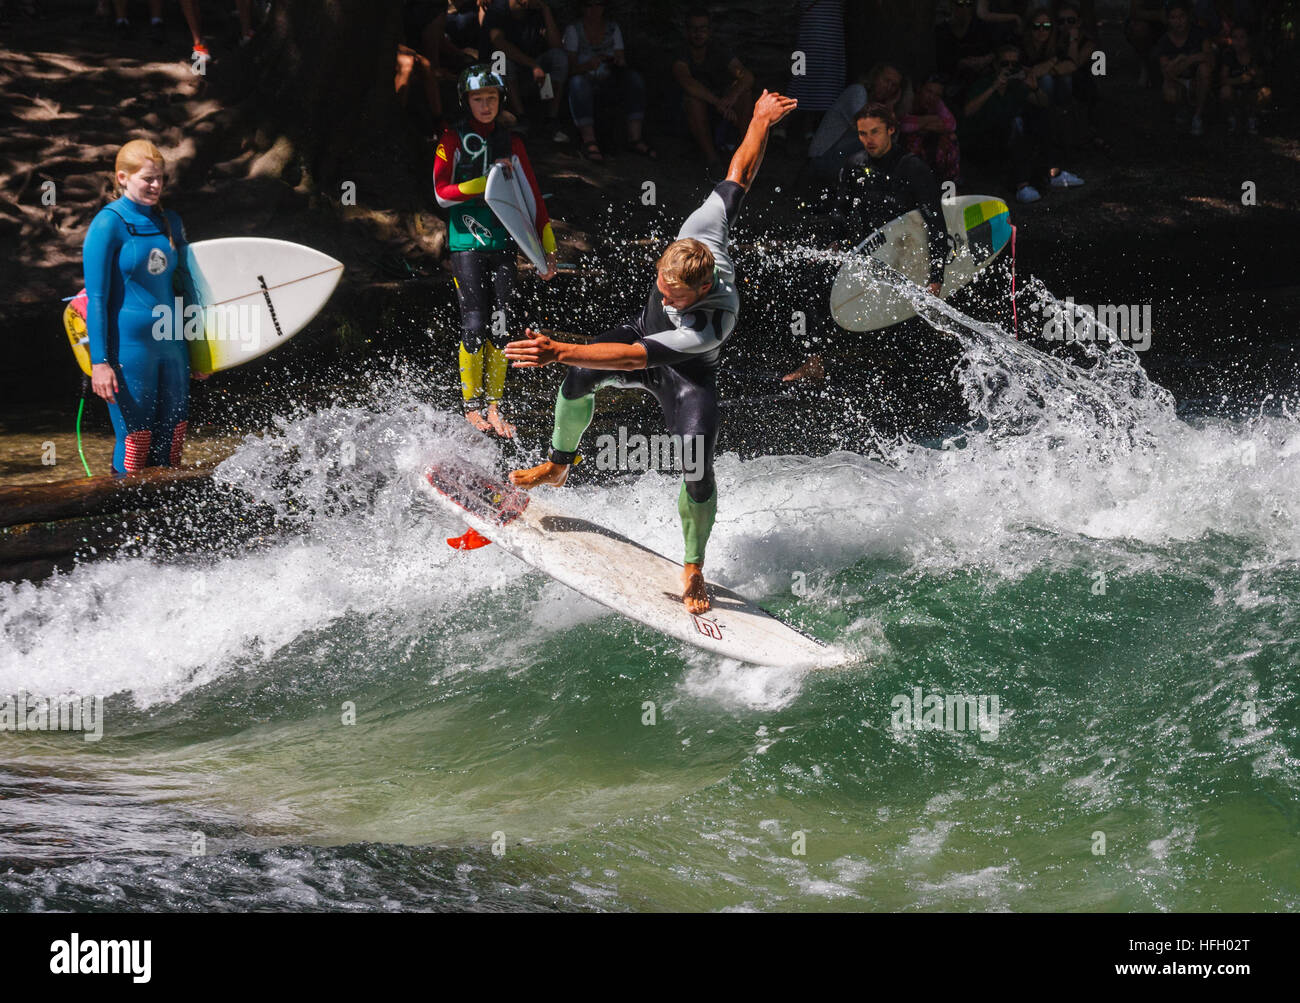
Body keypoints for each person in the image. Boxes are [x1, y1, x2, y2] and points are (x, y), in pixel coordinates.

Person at [504, 90, 797, 614]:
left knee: (696, 469)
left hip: (686, 378)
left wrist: (560, 349)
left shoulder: (712, 321)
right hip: (638, 337)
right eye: (661, 285)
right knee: (576, 380)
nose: (665, 297)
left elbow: (635, 360)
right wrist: (758, 120)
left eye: (674, 295)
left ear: (701, 289)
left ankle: (693, 566)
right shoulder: (699, 230)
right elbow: (740, 174)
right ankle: (557, 464)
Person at [784, 102, 951, 383]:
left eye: (875, 132)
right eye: (862, 133)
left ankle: (919, 376)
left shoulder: (913, 169)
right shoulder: (854, 165)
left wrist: (936, 276)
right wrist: (834, 244)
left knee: (907, 327)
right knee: (810, 279)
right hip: (867, 254)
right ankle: (814, 361)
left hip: (905, 257)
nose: (868, 139)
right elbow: (841, 212)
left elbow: (936, 224)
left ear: (891, 130)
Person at [434, 65, 558, 437]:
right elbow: (442, 193)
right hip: (466, 243)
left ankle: (495, 406)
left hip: (504, 243)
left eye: (491, 98)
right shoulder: (451, 138)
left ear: (500, 100)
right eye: (477, 99)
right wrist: (483, 182)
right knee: (474, 321)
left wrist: (546, 249)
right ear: (466, 101)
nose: (485, 105)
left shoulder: (512, 143)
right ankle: (471, 406)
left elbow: (533, 199)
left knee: (504, 322)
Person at [82, 140, 200, 475]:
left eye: (160, 178)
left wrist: (200, 349)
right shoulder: (109, 224)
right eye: (147, 178)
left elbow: (188, 289)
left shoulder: (170, 222)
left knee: (173, 439)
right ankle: (126, 522)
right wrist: (99, 363)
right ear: (122, 177)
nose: (156, 185)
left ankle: (165, 524)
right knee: (137, 440)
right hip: (129, 351)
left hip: (173, 346)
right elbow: (98, 300)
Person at [961, 41, 1084, 202]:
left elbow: (1043, 103)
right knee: (1017, 124)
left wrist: (1034, 88)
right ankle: (1021, 184)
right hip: (985, 139)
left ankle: (1052, 172)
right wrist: (993, 87)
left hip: (1013, 138)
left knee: (1039, 117)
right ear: (997, 65)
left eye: (1014, 64)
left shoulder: (1016, 85)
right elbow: (968, 111)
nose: (1009, 67)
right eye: (1005, 63)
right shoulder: (984, 83)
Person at [562, 0, 654, 162]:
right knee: (578, 83)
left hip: (610, 77)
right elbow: (570, 68)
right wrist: (587, 65)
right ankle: (589, 141)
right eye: (589, 5)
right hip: (585, 77)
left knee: (634, 79)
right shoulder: (574, 30)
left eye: (598, 5)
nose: (594, 10)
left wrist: (617, 62)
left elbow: (621, 57)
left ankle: (635, 138)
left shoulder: (612, 28)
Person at [672, 7, 755, 171]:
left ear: (709, 31)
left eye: (703, 28)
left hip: (722, 108)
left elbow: (747, 76)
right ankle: (713, 161)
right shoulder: (680, 53)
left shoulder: (718, 49)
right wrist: (719, 103)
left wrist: (731, 97)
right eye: (694, 29)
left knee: (744, 94)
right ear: (687, 31)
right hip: (690, 114)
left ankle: (747, 156)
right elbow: (687, 82)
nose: (698, 33)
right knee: (693, 101)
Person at [484, 0, 568, 141]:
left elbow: (556, 46)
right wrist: (533, 65)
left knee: (559, 57)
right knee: (501, 60)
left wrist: (546, 10)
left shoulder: (537, 11)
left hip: (533, 72)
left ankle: (551, 119)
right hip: (508, 73)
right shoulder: (497, 10)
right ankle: (520, 118)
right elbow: (499, 43)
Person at [1156, 0, 1213, 135]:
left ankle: (1198, 115)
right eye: (1173, 17)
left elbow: (1210, 58)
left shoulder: (1199, 33)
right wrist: (1179, 60)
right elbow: (1166, 71)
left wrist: (1186, 60)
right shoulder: (1164, 40)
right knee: (1170, 93)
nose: (1178, 21)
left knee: (1205, 70)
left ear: (1188, 16)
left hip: (1196, 80)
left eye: (1181, 16)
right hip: (1178, 83)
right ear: (1168, 20)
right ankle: (1182, 109)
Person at [901, 74, 960, 182]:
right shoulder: (908, 99)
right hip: (901, 143)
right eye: (929, 91)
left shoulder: (937, 103)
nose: (932, 97)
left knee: (950, 138)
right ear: (920, 88)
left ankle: (949, 182)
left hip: (927, 140)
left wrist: (924, 126)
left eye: (937, 95)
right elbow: (902, 124)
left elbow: (951, 124)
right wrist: (929, 120)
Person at [936, 0, 997, 102]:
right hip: (951, 83)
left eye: (969, 3)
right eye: (960, 3)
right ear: (952, 5)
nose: (964, 8)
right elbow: (942, 61)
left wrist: (984, 60)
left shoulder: (982, 27)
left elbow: (996, 51)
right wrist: (961, 63)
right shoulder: (942, 31)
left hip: (980, 82)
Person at [1218, 23, 1270, 134]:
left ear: (1248, 39)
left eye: (1242, 37)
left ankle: (1252, 118)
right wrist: (1240, 79)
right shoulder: (1228, 55)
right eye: (1235, 37)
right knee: (1225, 92)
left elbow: (1261, 80)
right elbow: (1222, 80)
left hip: (1250, 93)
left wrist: (1255, 75)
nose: (1238, 41)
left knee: (1265, 93)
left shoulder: (1255, 56)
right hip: (1234, 93)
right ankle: (1232, 119)